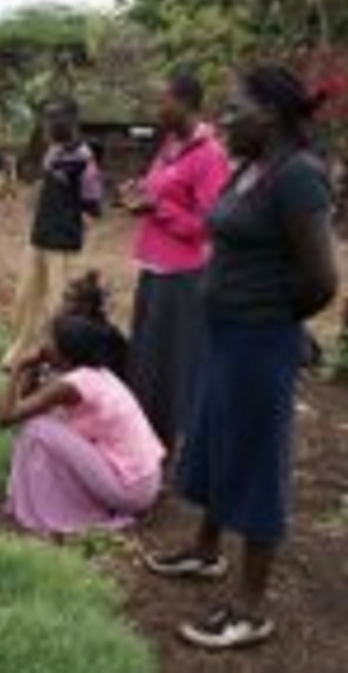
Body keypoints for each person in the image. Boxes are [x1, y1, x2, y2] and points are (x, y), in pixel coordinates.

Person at [145, 65, 338, 651]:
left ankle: (250, 608)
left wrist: (271, 317)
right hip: (224, 333)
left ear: (271, 116)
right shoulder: (252, 169)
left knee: (254, 459)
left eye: (235, 109)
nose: (223, 118)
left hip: (258, 341)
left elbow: (321, 280)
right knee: (211, 441)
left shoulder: (299, 177)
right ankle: (206, 552)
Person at [124, 71, 230, 453]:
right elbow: (158, 194)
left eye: (163, 100)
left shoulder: (210, 155)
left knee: (174, 363)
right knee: (147, 359)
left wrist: (159, 208)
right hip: (152, 266)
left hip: (183, 274)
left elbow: (209, 224)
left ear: (185, 103)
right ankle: (147, 440)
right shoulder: (168, 146)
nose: (158, 108)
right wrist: (141, 197)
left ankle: (178, 442)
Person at [0, 316, 165, 536]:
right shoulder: (96, 374)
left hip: (130, 491)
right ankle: (62, 498)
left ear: (64, 353)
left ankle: (55, 510)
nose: (43, 346)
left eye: (49, 341)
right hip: (144, 482)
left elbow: (4, 417)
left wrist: (18, 368)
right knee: (48, 423)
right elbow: (28, 401)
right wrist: (33, 369)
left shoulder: (72, 385)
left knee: (37, 428)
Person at [2, 97, 103, 370]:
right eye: (47, 118)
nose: (49, 124)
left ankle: (56, 359)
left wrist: (76, 209)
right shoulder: (53, 152)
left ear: (71, 122)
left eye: (55, 118)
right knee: (26, 299)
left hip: (63, 244)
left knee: (58, 304)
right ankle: (20, 354)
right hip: (39, 237)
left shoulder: (84, 159)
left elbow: (94, 206)